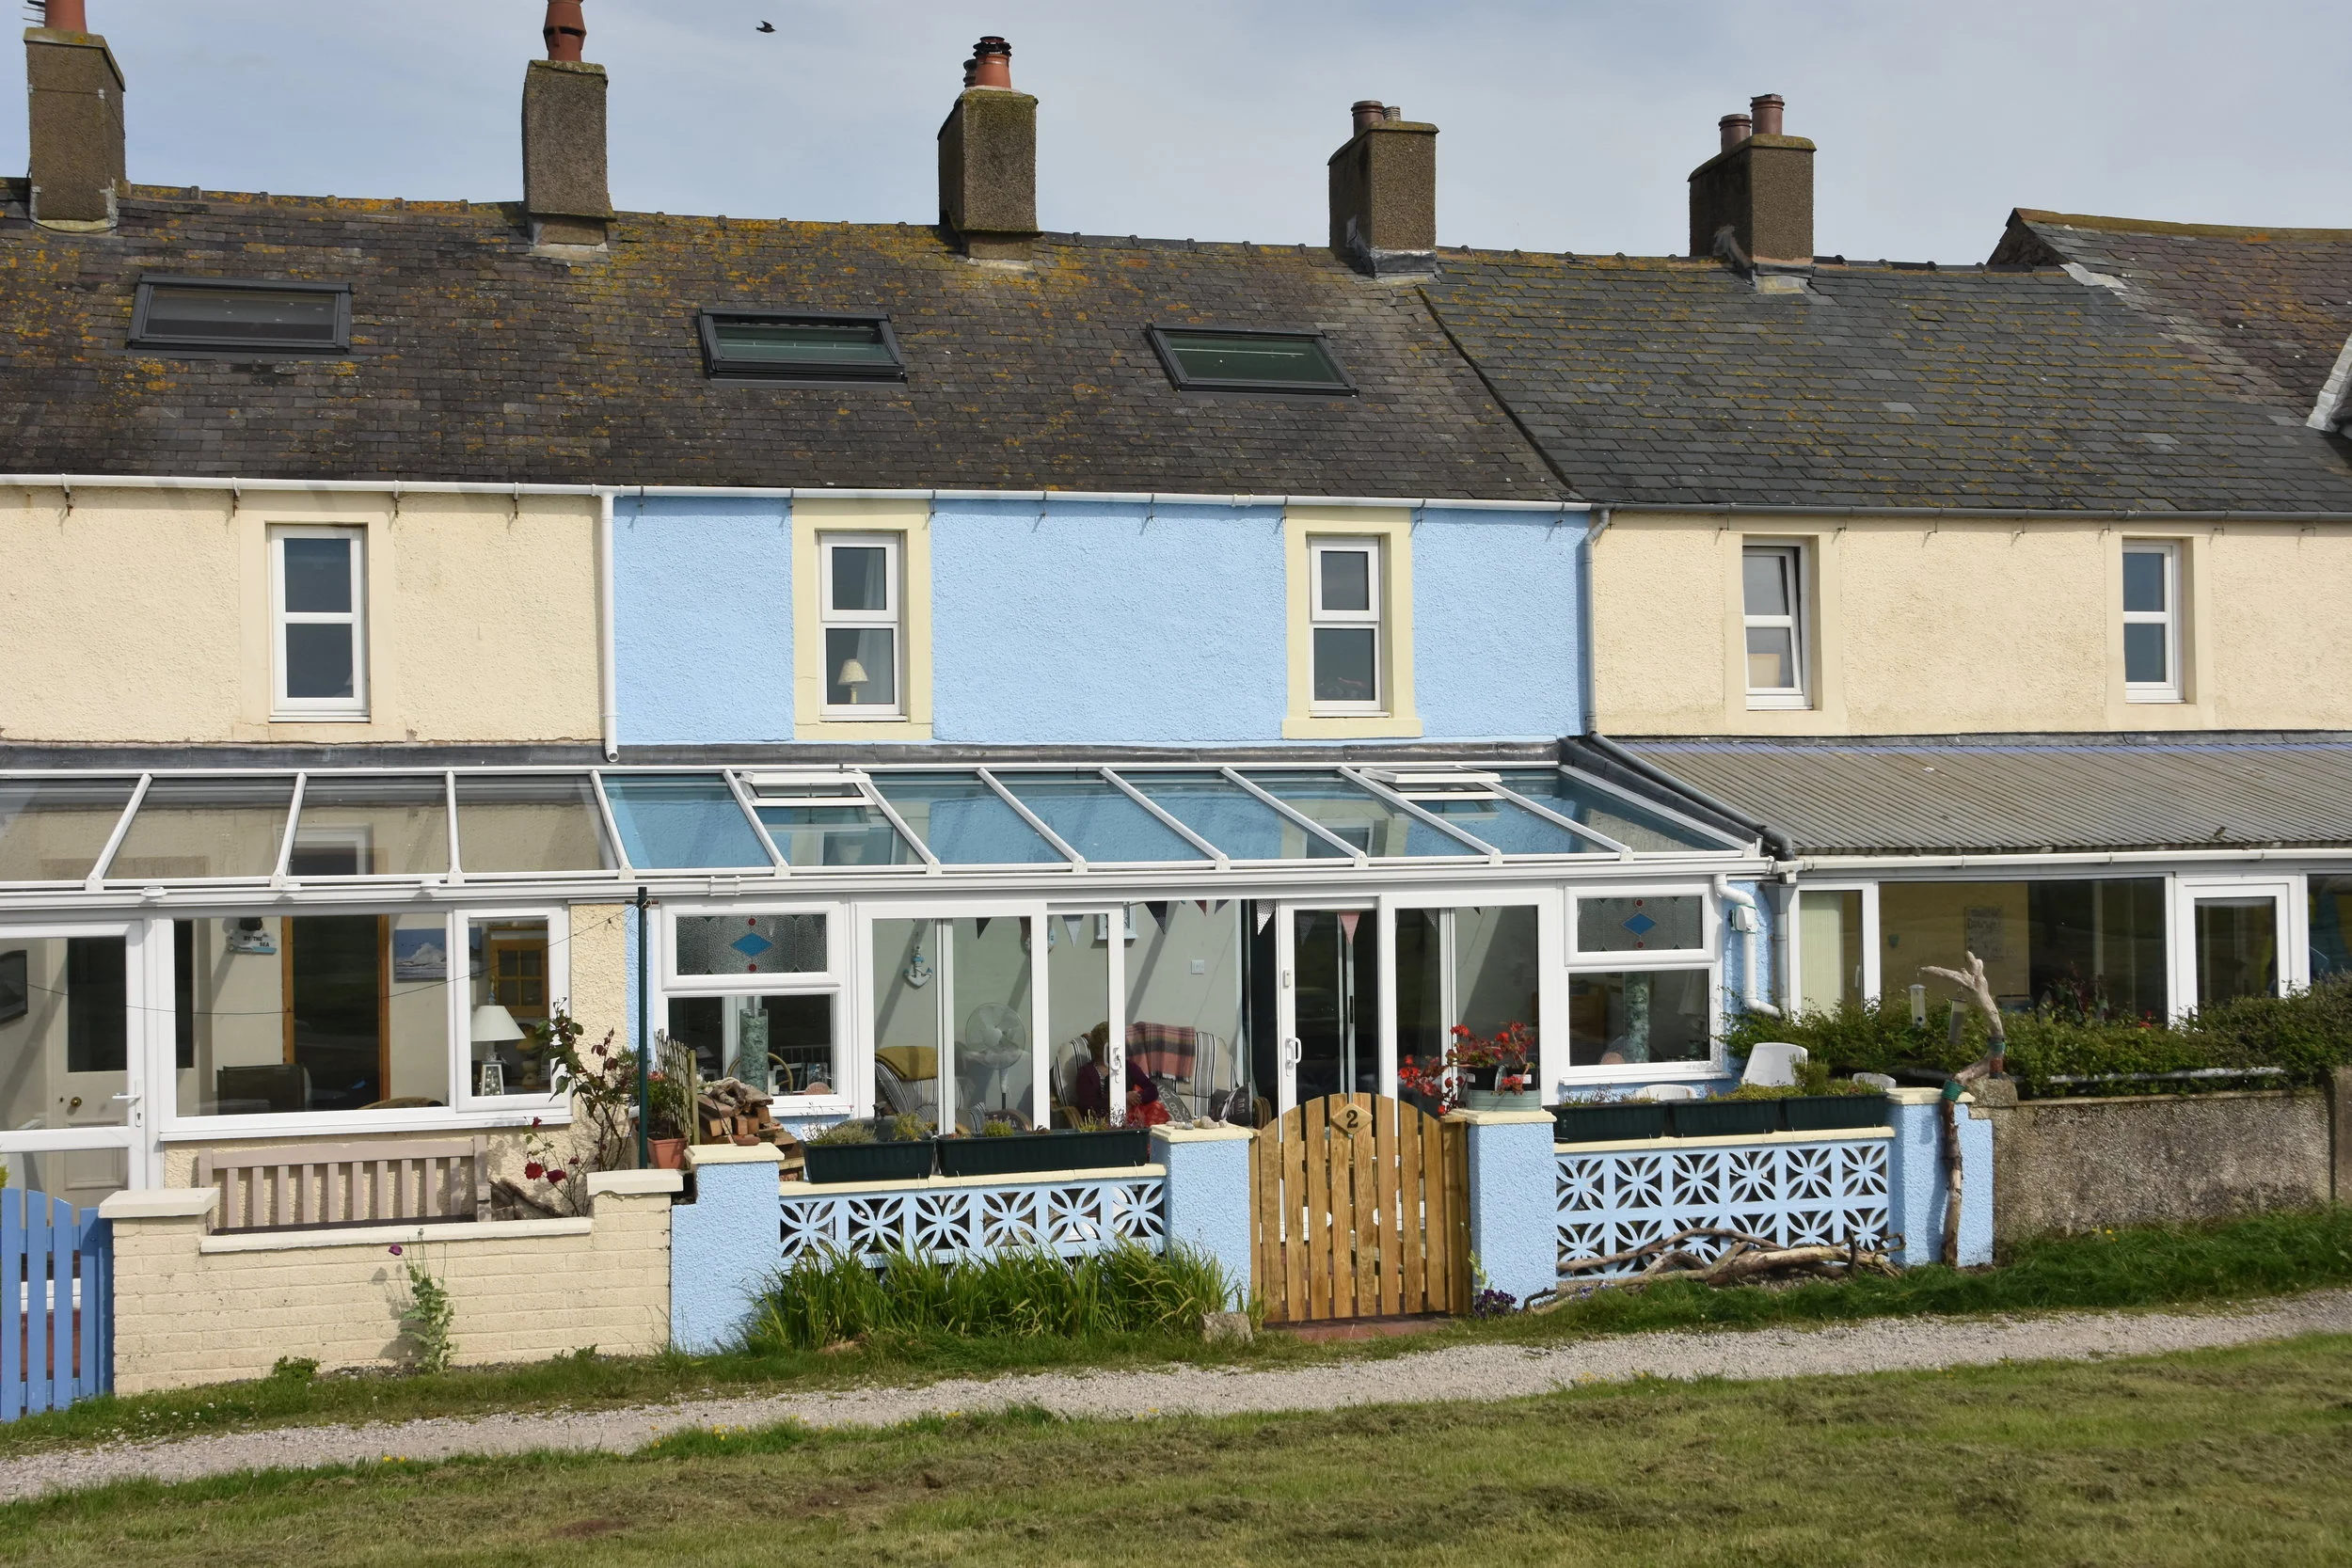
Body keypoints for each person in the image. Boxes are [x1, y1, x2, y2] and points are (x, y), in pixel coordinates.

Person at [1070, 1022, 1169, 1127]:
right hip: (1103, 1121)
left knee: (1155, 1108)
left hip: (1134, 1116)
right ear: (1101, 1048)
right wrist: (1122, 1098)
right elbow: (1088, 1107)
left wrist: (1137, 1097)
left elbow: (1152, 1089)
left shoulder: (1127, 1065)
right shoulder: (1086, 1073)